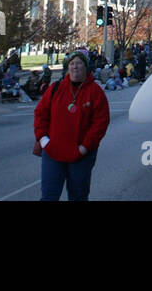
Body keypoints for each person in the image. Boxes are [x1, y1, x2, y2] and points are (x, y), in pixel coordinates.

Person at [34, 50, 110, 201]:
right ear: (67, 67)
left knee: (78, 196)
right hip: (53, 152)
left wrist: (85, 147)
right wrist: (43, 139)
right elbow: (40, 114)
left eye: (79, 63)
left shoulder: (95, 92)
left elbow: (100, 123)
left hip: (80, 154)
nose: (75, 67)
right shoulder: (56, 88)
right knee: (49, 196)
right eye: (72, 64)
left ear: (86, 67)